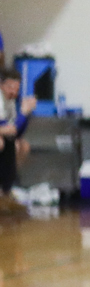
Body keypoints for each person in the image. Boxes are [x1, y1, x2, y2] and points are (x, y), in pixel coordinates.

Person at [1, 65, 34, 194]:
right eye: (10, 87)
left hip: (6, 132)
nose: (13, 91)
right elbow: (11, 129)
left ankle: (10, 182)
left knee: (22, 145)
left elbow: (16, 132)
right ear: (1, 85)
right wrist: (24, 113)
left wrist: (26, 115)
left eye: (16, 88)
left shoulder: (11, 101)